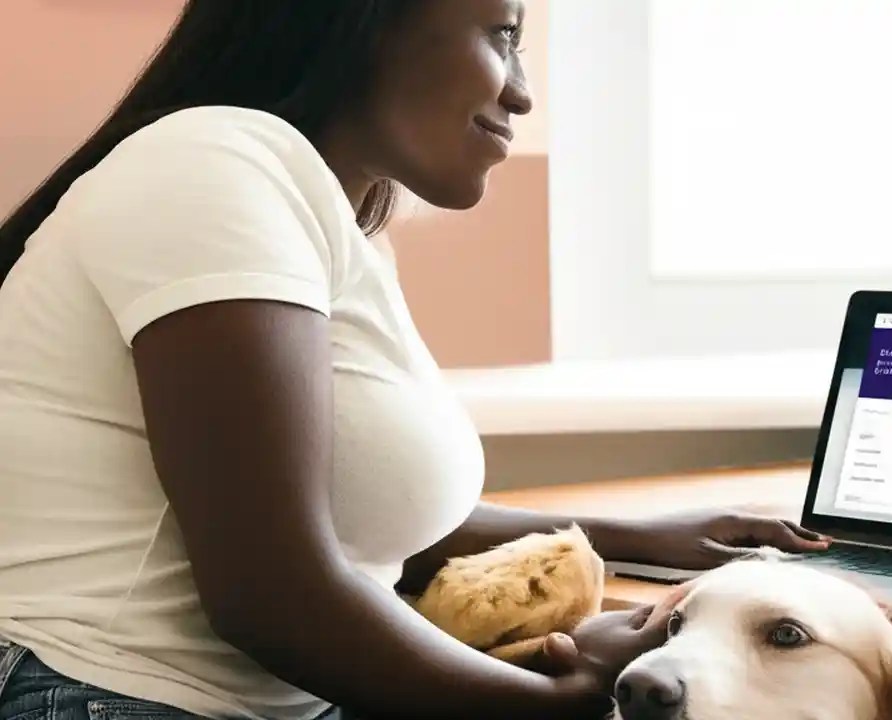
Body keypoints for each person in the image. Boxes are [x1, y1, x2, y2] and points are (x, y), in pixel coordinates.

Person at [0, 3, 831, 719]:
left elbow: (323, 509)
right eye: (504, 34)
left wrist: (637, 536)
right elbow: (270, 593)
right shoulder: (210, 164)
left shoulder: (328, 219)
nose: (522, 91)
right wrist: (561, 696)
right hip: (104, 694)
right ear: (367, 17)